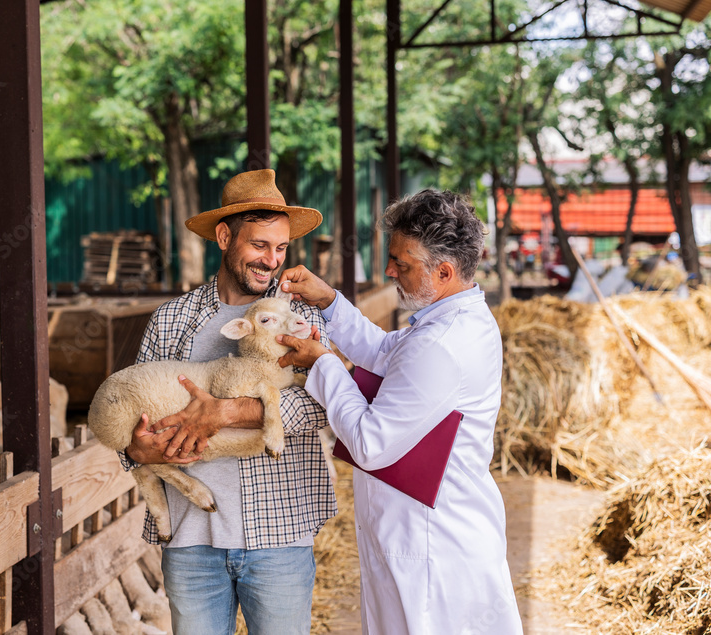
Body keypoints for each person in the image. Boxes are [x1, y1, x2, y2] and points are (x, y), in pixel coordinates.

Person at [276, 189, 523, 635]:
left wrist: (322, 362)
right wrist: (328, 300)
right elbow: (385, 352)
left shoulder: (441, 344)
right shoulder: (451, 320)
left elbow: (370, 443)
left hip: (430, 542)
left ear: (444, 271)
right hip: (421, 530)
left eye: (402, 264)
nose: (390, 271)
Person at [120, 168, 337, 635]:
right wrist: (134, 450)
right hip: (191, 541)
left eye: (280, 249)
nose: (271, 261)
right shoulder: (172, 320)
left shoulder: (298, 316)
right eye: (259, 245)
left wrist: (228, 411)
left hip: (278, 534)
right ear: (224, 236)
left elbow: (326, 400)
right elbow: (134, 411)